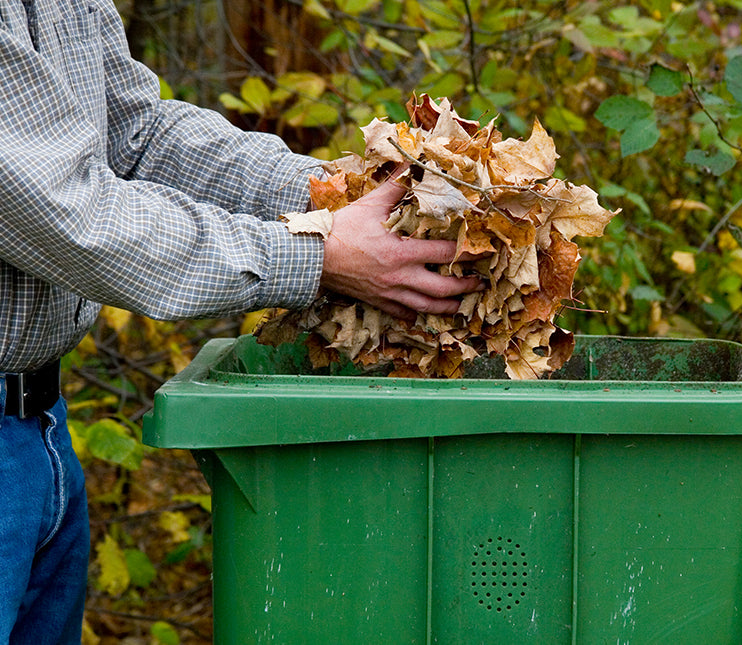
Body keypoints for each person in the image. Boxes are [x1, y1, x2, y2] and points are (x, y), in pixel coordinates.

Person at [0, 1, 481, 642]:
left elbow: (138, 139)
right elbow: (67, 212)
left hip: (38, 429)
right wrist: (317, 253)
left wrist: (337, 193)